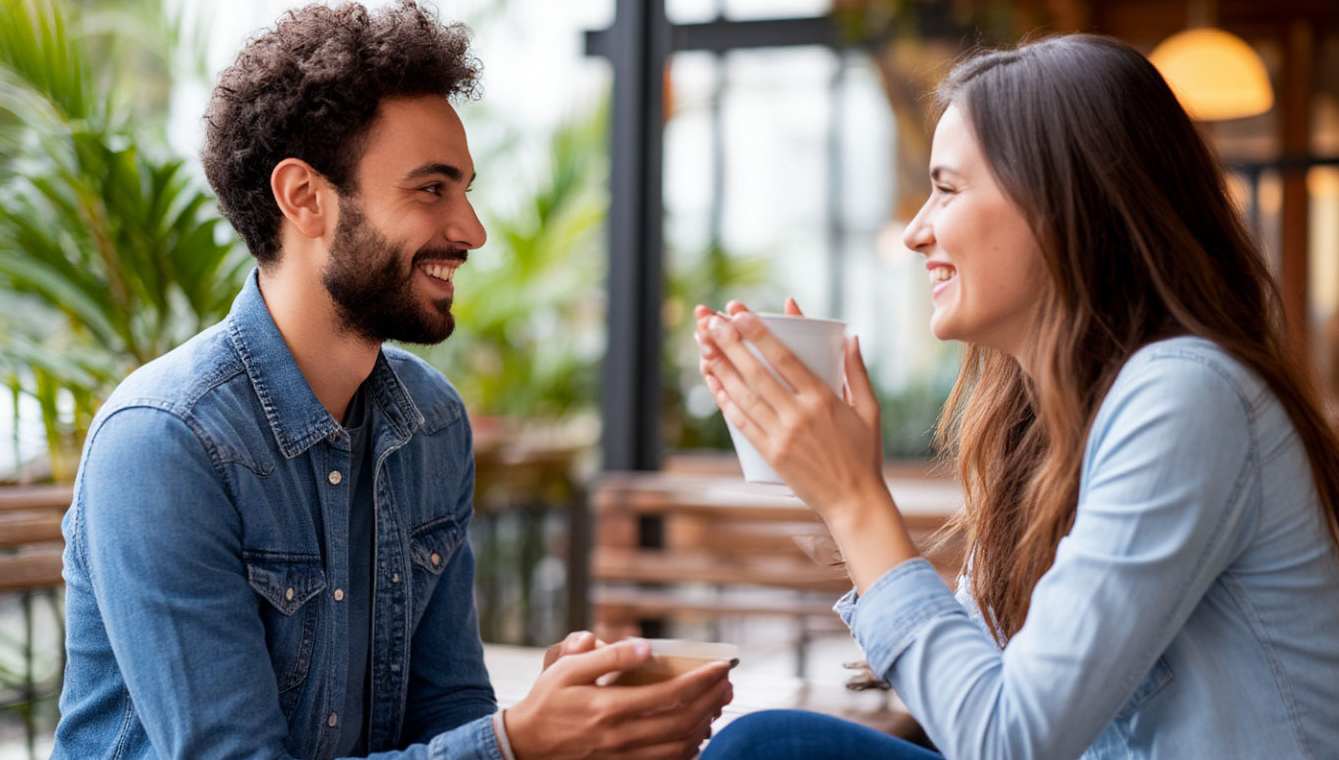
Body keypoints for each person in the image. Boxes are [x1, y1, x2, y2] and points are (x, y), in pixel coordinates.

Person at [51, 3, 731, 759]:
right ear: (304, 198)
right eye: (431, 189)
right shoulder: (164, 442)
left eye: (465, 189)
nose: (471, 229)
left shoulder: (432, 422)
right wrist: (511, 744)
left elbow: (445, 709)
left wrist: (555, 726)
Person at [692, 33, 1339, 760]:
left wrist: (853, 498)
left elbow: (1005, 741)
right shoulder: (1040, 422)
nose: (914, 231)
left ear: (1060, 200)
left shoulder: (1188, 396)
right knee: (771, 743)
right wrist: (821, 472)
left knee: (768, 749)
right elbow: (979, 700)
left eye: (945, 188)